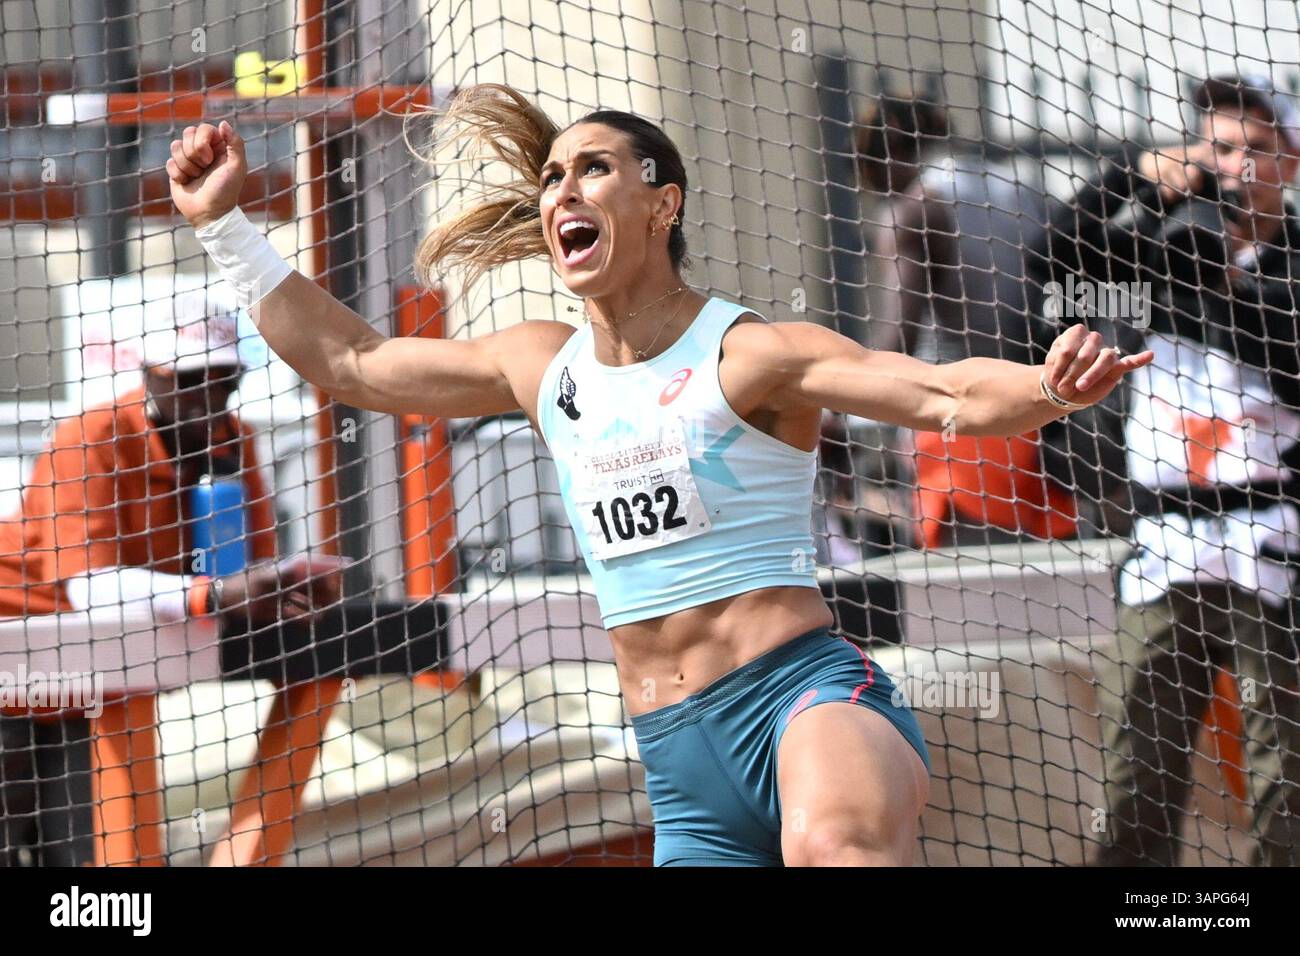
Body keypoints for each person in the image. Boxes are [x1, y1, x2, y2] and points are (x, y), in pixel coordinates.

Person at [167, 83, 1150, 866]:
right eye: (551, 177)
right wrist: (225, 230)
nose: (560, 192)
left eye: (592, 169)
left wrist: (1048, 385)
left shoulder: (751, 355)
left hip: (801, 698)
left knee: (833, 845)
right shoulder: (540, 367)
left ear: (661, 202)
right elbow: (352, 363)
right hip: (679, 759)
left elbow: (941, 389)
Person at [1033, 73, 1300, 865]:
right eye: (1220, 148)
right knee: (1135, 772)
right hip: (1165, 545)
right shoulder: (1159, 252)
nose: (1237, 166)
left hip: (1275, 546)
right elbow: (1053, 260)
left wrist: (1219, 283)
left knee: (1284, 774)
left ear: (1290, 162)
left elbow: (1290, 363)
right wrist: (1134, 179)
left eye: (1257, 149)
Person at [0, 304, 342, 865]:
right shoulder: (92, 437)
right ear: (151, 373)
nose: (211, 397)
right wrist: (213, 596)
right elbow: (91, 590)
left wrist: (290, 589)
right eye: (192, 379)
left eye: (225, 379)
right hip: (16, 668)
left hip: (97, 691)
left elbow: (250, 568)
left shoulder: (231, 441)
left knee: (92, 875)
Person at [856, 92, 1079, 549]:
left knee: (962, 602)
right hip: (1034, 412)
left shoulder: (913, 209)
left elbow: (902, 330)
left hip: (955, 422)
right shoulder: (1023, 191)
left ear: (891, 151)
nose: (874, 189)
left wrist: (844, 400)